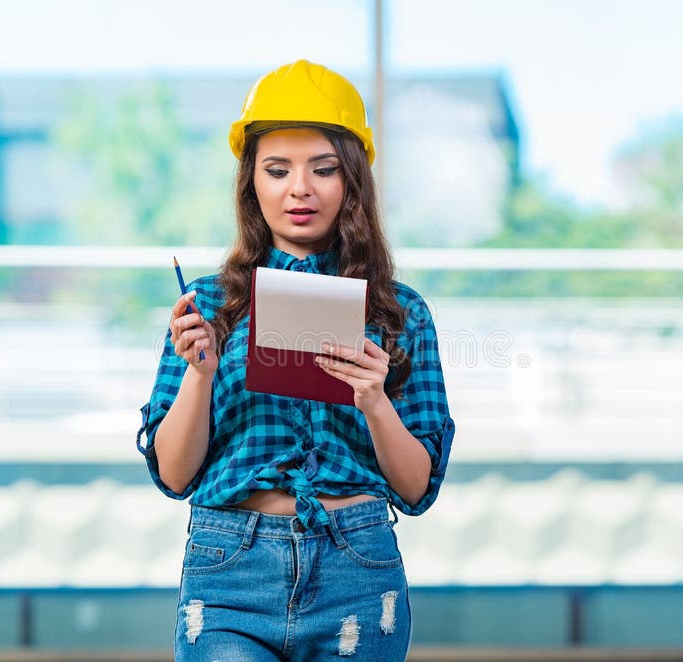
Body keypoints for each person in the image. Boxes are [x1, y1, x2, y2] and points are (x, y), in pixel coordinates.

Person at [137, 59, 455, 661]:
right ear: (252, 182)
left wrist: (374, 399)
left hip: (356, 569)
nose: (299, 189)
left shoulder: (400, 313)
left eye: (324, 169)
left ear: (352, 180)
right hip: (230, 569)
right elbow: (175, 477)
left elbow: (416, 490)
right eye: (277, 170)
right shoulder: (207, 305)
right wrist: (200, 375)